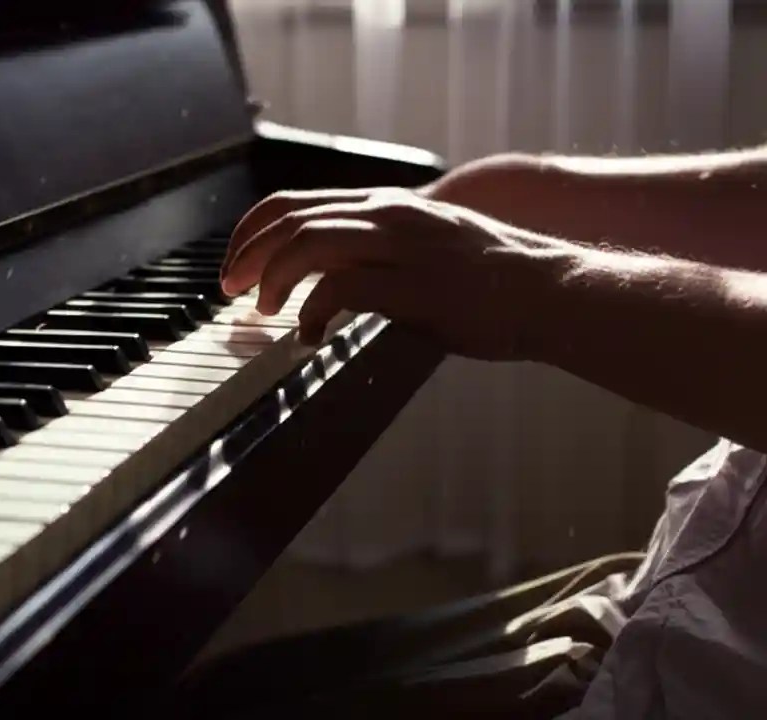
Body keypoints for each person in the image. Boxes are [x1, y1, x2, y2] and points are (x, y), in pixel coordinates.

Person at [171, 146, 767, 719]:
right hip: (680, 593)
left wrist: (529, 280)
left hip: (698, 680)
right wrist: (470, 202)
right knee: (227, 688)